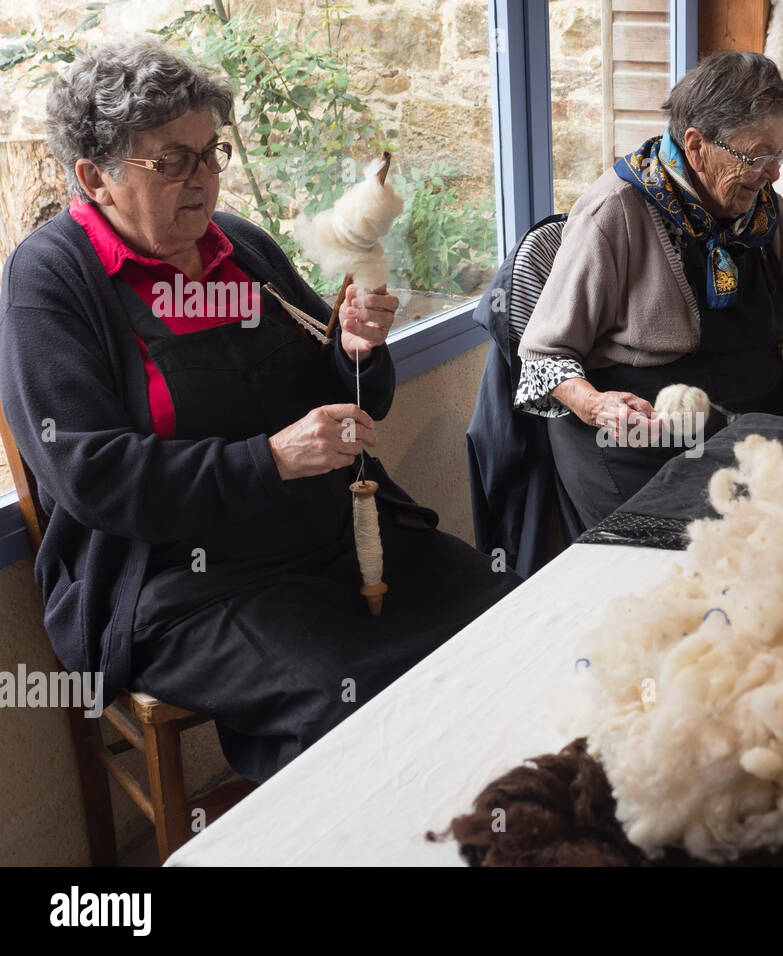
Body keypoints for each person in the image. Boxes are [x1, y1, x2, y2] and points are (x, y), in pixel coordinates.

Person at [0, 40, 517, 783]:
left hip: (325, 535)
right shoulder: (50, 282)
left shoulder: (237, 247)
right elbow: (91, 477)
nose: (204, 179)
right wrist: (269, 458)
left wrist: (358, 354)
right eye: (171, 162)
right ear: (95, 177)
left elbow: (348, 407)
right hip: (180, 582)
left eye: (211, 153)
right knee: (356, 705)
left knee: (502, 619)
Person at [515, 50, 783, 531]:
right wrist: (597, 405)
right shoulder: (615, 214)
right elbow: (544, 359)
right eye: (758, 155)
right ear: (697, 144)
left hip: (756, 431)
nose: (774, 172)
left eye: (781, 152)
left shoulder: (770, 214)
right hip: (644, 446)